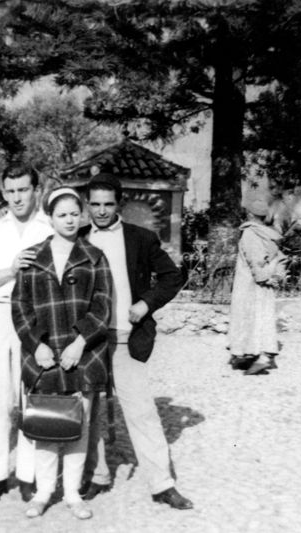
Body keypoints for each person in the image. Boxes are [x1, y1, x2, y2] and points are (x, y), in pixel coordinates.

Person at [80, 174, 193, 511]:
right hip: (89, 342)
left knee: (142, 413)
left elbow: (173, 276)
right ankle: (97, 475)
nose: (101, 211)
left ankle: (162, 484)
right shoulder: (78, 239)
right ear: (88, 204)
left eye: (108, 204)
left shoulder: (140, 238)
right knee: (88, 412)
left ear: (120, 204)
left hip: (127, 339)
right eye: (95, 204)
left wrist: (145, 303)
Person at [11, 187, 112, 520]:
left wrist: (81, 342)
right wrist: (36, 344)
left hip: (82, 355)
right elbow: (20, 306)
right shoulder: (32, 257)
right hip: (43, 357)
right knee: (47, 426)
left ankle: (72, 494)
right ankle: (43, 493)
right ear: (50, 218)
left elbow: (102, 305)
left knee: (77, 427)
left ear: (81, 215)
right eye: (61, 214)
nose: (69, 220)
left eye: (73, 213)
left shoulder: (94, 256)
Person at [0, 165, 53, 504]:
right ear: (3, 193)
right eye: (11, 191)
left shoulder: (50, 228)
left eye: (24, 189)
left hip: (35, 317)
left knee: (31, 396)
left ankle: (27, 476)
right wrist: (11, 269)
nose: (18, 197)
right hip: (0, 314)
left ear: (37, 190)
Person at [227, 197, 286, 376]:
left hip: (250, 284)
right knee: (261, 318)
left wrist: (263, 277)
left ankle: (262, 357)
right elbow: (279, 257)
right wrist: (274, 276)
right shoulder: (269, 234)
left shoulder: (251, 234)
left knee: (248, 317)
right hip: (265, 285)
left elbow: (255, 262)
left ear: (250, 214)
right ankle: (258, 353)